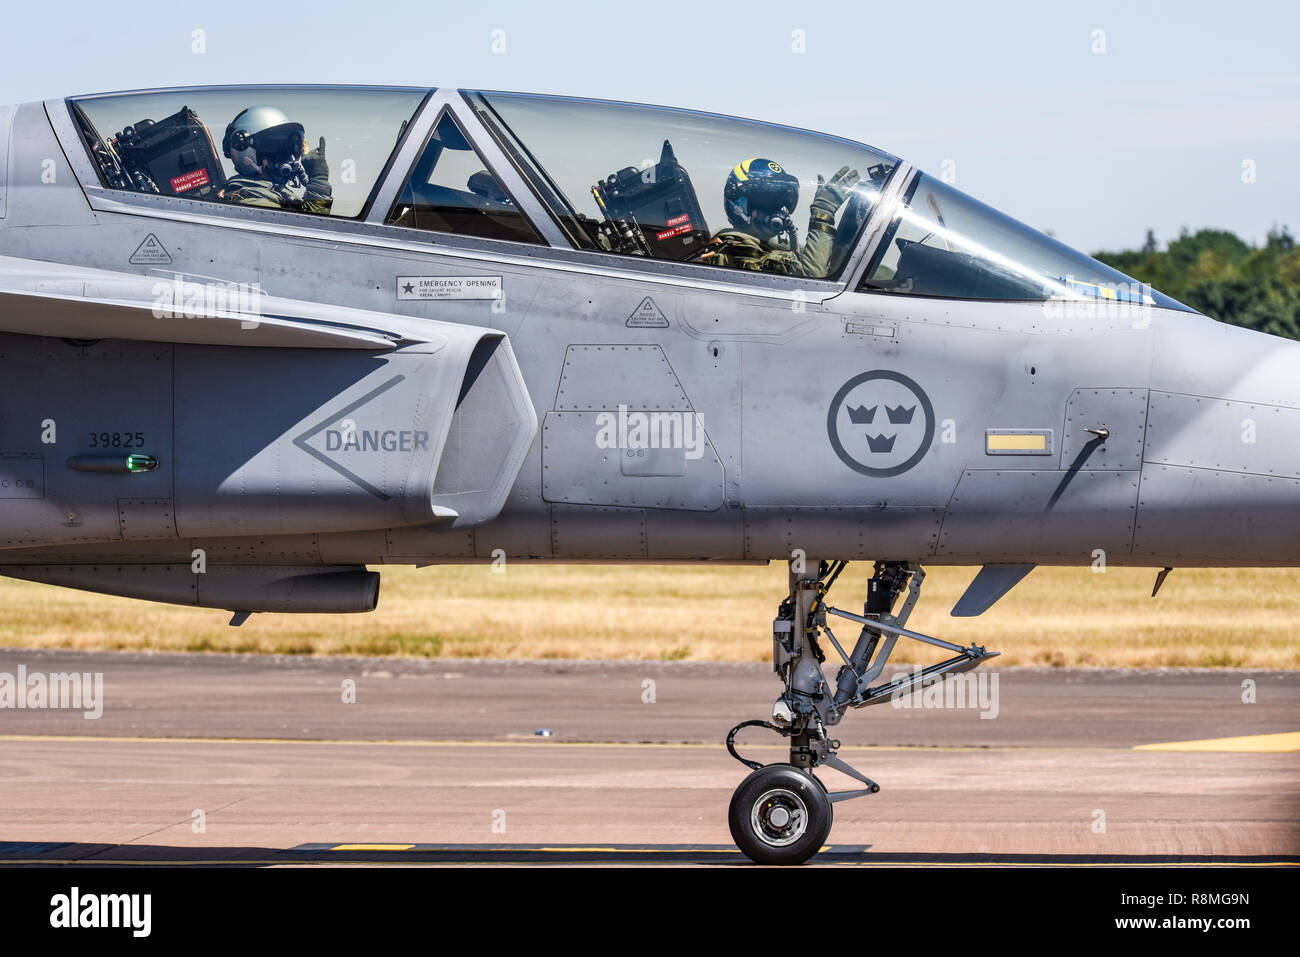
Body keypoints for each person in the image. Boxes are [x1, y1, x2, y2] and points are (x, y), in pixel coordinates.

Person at [699, 157, 857, 278]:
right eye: (770, 201)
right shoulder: (739, 252)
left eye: (783, 203)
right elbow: (813, 280)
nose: (781, 210)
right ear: (741, 204)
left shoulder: (761, 250)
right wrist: (823, 212)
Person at [218, 106, 332, 213]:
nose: (289, 158)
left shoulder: (273, 195)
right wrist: (319, 182)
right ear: (245, 150)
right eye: (277, 148)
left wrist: (318, 185)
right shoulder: (254, 203)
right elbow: (308, 228)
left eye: (291, 148)